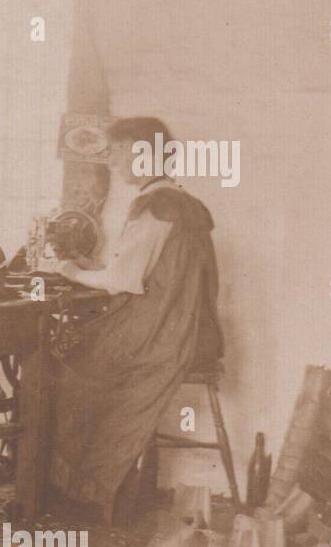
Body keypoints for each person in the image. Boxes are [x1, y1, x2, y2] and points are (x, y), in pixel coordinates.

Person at [37, 116, 224, 521]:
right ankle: (92, 487)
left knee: (65, 367)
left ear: (143, 154)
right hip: (182, 326)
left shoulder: (156, 205)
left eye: (119, 153)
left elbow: (124, 280)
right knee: (80, 352)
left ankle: (81, 493)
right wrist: (91, 265)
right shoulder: (183, 202)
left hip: (159, 333)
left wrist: (68, 270)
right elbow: (146, 269)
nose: (113, 162)